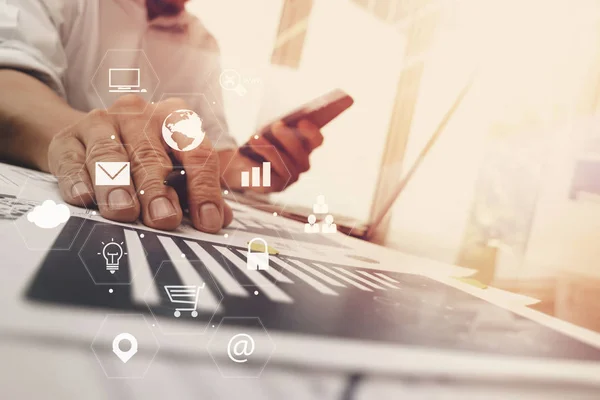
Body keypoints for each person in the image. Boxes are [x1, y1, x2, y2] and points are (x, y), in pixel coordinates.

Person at [0, 0, 323, 234]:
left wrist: (252, 169)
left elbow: (210, 151)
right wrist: (95, 142)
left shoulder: (200, 40)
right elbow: (8, 82)